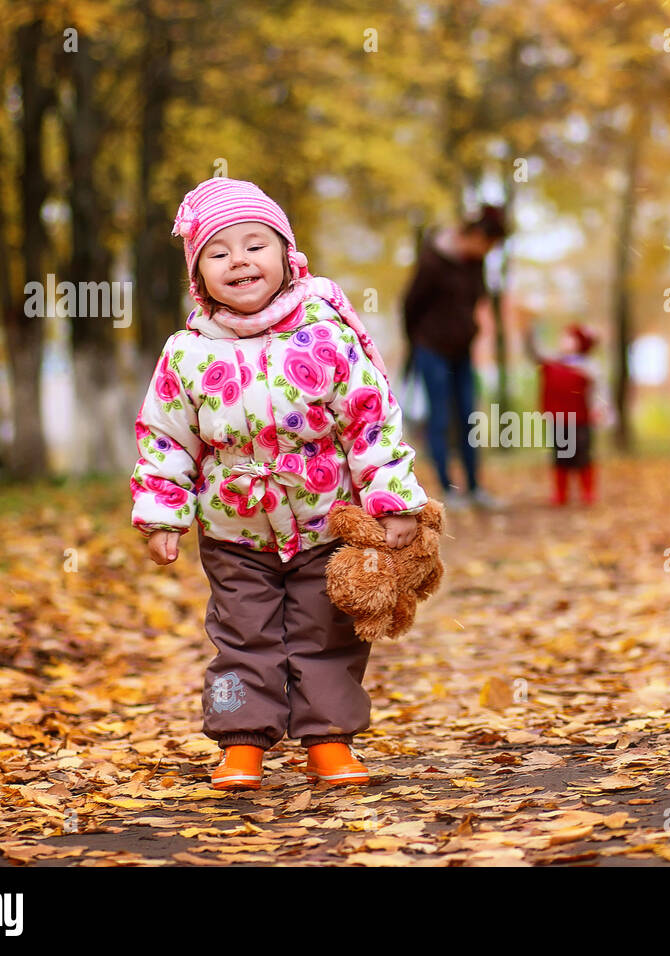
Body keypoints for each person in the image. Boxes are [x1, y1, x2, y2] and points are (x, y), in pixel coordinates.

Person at [130, 177, 429, 791]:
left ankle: (329, 740)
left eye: (255, 245)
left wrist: (392, 498)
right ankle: (241, 743)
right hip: (233, 529)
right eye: (219, 252)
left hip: (324, 520)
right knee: (243, 637)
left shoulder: (324, 335)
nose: (239, 259)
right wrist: (163, 513)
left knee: (327, 634)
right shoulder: (186, 353)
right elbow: (166, 436)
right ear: (200, 276)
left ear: (287, 257)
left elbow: (371, 420)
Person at [401, 205, 508, 511]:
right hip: (431, 350)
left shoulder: (476, 264)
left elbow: (477, 300)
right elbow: (410, 305)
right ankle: (450, 490)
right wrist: (417, 343)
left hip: (462, 352)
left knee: (468, 417)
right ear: (473, 235)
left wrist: (471, 330)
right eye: (486, 244)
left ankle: (475, 488)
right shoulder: (433, 261)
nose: (487, 251)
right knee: (440, 419)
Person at [522, 313, 615, 506]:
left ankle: (588, 492)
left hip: (581, 419)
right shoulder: (553, 361)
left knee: (583, 454)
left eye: (568, 337)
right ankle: (560, 493)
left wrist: (601, 408)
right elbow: (534, 353)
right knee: (560, 455)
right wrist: (529, 333)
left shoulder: (589, 367)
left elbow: (601, 389)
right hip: (557, 419)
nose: (563, 340)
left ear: (580, 343)